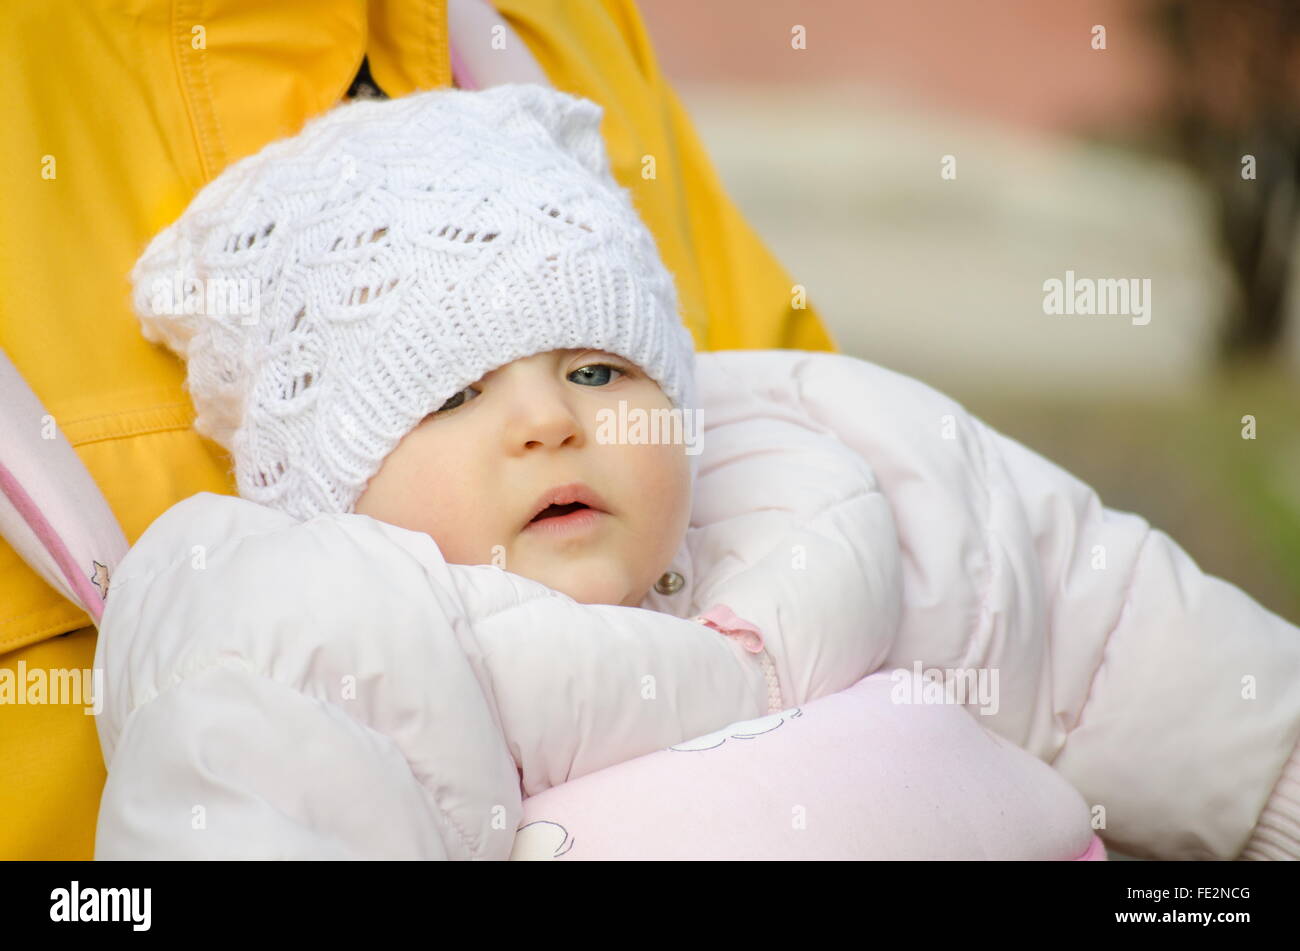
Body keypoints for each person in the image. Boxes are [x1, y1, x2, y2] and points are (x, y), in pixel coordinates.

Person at [103, 82, 1300, 861]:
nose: (547, 427)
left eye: (596, 372)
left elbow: (1105, 630)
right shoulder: (326, 632)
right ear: (333, 495)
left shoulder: (810, 470)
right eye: (451, 397)